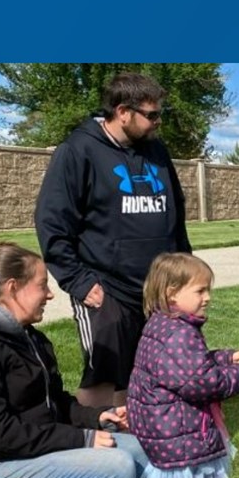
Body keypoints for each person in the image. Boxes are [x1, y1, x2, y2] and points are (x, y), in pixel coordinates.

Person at [0, 241, 153, 478]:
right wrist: (81, 439)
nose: (50, 294)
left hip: (30, 450)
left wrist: (98, 417)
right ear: (13, 288)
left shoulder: (30, 338)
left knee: (142, 450)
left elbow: (53, 403)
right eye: (43, 285)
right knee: (117, 468)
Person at [35, 72, 192, 408]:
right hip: (106, 288)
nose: (157, 122)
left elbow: (175, 211)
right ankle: (93, 446)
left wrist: (184, 267)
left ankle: (138, 440)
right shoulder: (78, 150)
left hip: (158, 286)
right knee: (104, 377)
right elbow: (52, 221)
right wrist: (77, 280)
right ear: (123, 111)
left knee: (147, 370)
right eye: (151, 115)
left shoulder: (156, 151)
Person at [127, 253, 239, 478]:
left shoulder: (162, 322)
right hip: (182, 446)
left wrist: (226, 357)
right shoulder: (180, 333)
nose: (207, 298)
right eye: (200, 291)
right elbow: (202, 383)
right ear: (171, 292)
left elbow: (188, 367)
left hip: (166, 438)